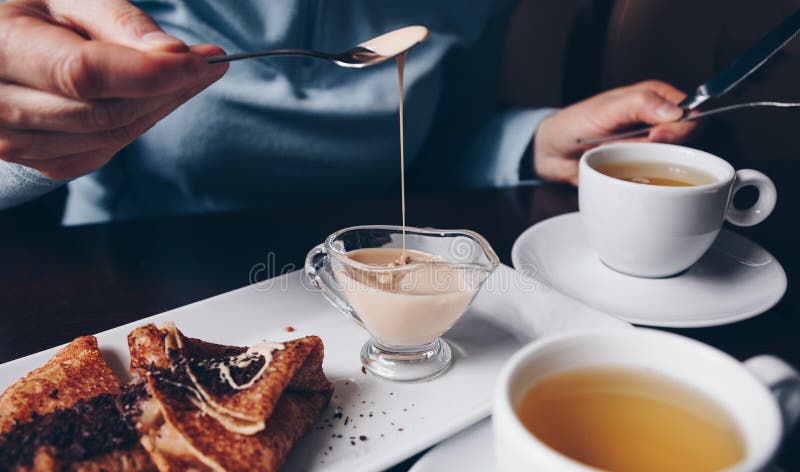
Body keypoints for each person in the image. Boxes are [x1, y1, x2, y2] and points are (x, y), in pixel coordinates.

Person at [0, 0, 696, 225]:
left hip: (371, 276)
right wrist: (25, 148)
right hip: (132, 281)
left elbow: (441, 141)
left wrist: (532, 141)